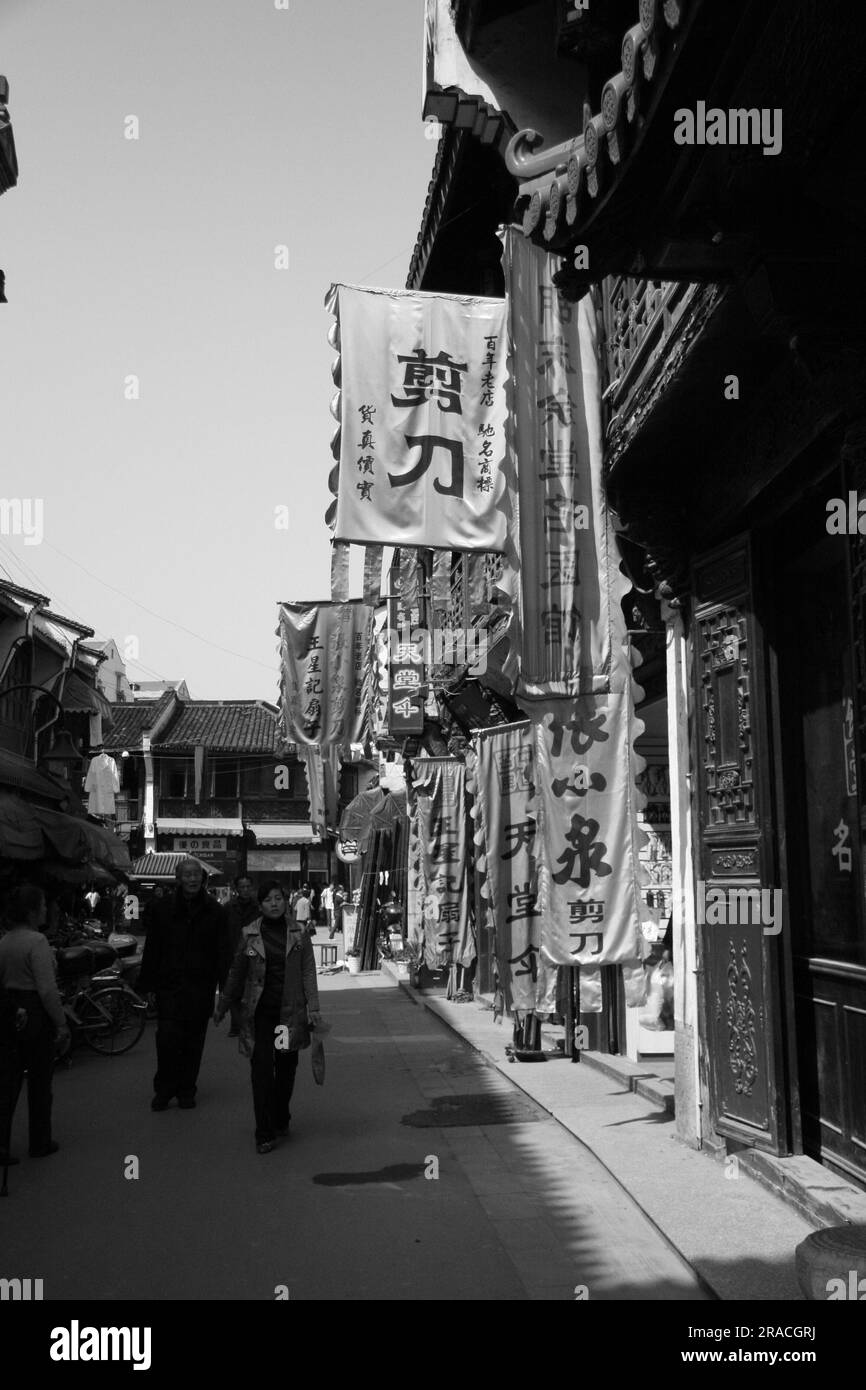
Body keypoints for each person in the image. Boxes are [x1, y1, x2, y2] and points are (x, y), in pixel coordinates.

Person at [214, 881, 320, 1154]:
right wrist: (223, 1004)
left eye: (278, 898)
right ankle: (263, 1131)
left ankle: (281, 1115)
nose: (274, 903)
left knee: (285, 1068)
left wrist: (315, 1008)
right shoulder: (249, 934)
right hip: (260, 1015)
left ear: (286, 902)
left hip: (287, 1015)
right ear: (260, 905)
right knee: (261, 1071)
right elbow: (237, 972)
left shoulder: (298, 933)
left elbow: (308, 971)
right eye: (268, 900)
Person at [137, 858, 231, 1111]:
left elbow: (223, 954)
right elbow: (153, 948)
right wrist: (147, 985)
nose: (192, 879)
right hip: (169, 985)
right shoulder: (162, 908)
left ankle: (187, 1089)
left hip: (200, 987)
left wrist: (226, 992)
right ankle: (164, 1089)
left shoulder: (215, 911)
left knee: (193, 1041)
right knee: (166, 1039)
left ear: (202, 879)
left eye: (196, 875)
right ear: (178, 879)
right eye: (187, 875)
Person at [0, 884, 70, 1163]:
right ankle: (39, 1141)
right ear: (31, 911)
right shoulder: (37, 942)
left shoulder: (4, 941)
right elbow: (47, 989)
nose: (46, 909)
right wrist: (62, 1023)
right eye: (42, 905)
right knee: (40, 1082)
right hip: (35, 1014)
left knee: (8, 1083)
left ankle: (2, 1145)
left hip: (8, 1013)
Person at [224, 875, 259, 1038]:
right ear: (236, 889)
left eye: (247, 886)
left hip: (254, 954)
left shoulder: (259, 907)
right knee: (234, 990)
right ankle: (235, 1024)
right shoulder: (228, 908)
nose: (245, 890)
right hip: (233, 953)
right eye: (242, 887)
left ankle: (249, 1023)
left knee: (252, 990)